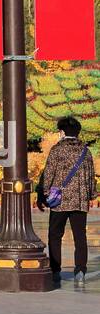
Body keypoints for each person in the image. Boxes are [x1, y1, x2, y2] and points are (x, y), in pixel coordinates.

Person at [37, 115, 96, 287]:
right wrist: (91, 194)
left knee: (55, 235)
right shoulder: (86, 151)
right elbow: (91, 176)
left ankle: (56, 271)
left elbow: (48, 174)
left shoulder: (57, 150)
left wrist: (44, 194)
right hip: (79, 201)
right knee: (80, 237)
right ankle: (80, 271)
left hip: (59, 202)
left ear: (62, 132)